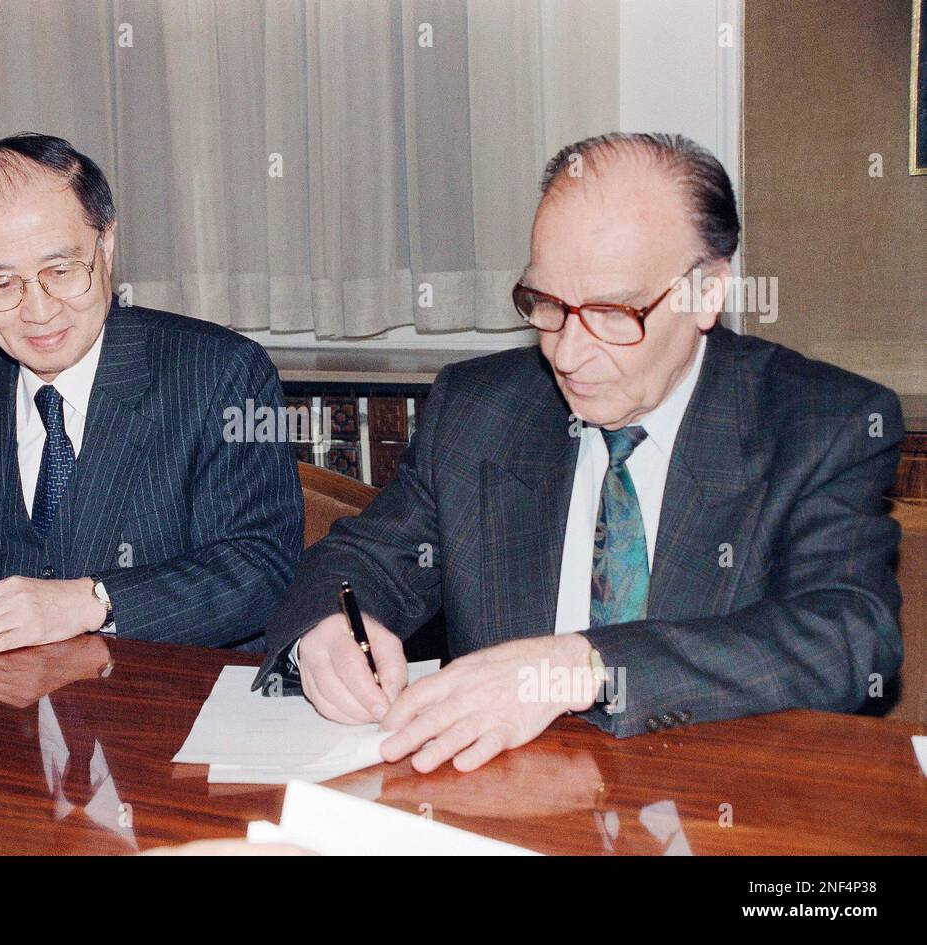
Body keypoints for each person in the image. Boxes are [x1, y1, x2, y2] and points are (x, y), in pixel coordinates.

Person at [255, 132, 904, 773]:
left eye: (613, 312)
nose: (566, 354)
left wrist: (580, 664)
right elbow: (360, 559)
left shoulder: (822, 423)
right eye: (546, 303)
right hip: (502, 805)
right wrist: (332, 631)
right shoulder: (480, 409)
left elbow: (844, 637)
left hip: (721, 806)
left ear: (707, 292)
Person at [0, 134, 302, 655]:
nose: (38, 310)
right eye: (1, 284)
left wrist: (94, 602)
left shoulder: (217, 372)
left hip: (174, 708)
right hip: (6, 713)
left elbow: (259, 569)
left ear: (106, 246)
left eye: (62, 271)